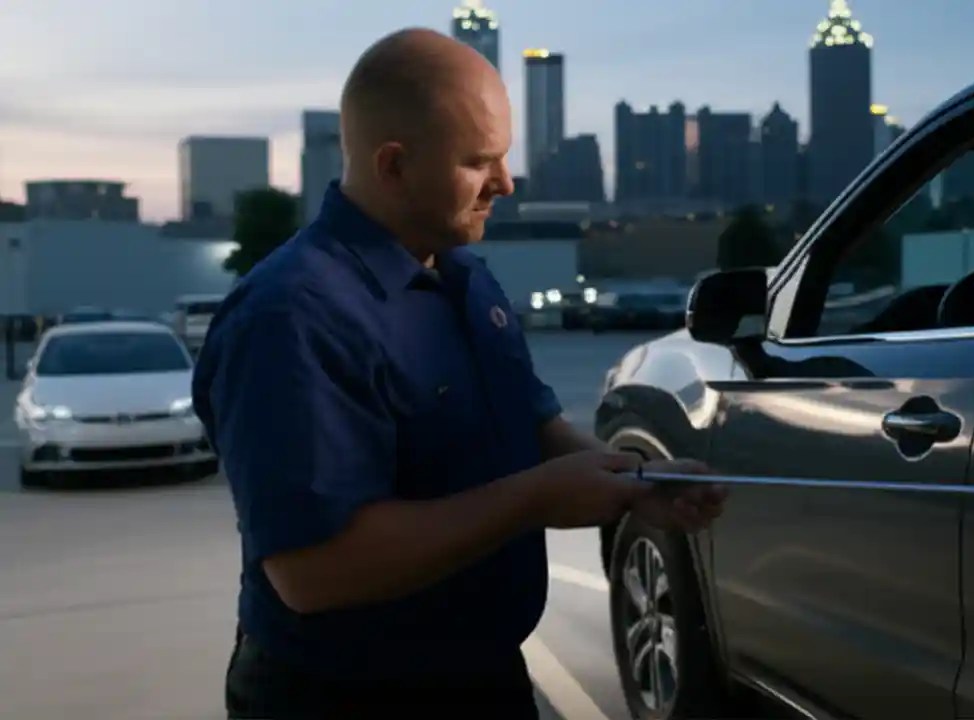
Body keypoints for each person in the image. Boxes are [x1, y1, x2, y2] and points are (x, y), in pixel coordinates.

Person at [192, 27, 727, 719]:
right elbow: (313, 571)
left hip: (485, 678)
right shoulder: (291, 316)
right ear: (393, 165)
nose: (505, 182)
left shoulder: (462, 275)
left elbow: (533, 427)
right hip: (341, 699)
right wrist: (535, 499)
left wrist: (634, 483)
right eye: (480, 162)